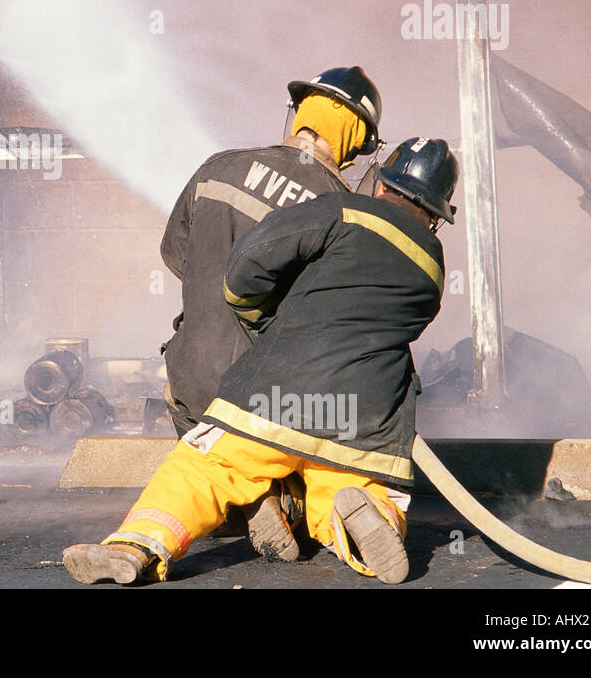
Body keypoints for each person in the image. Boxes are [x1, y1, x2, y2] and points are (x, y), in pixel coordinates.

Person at [66, 137, 459, 585]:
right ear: (436, 212)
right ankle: (368, 520)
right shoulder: (434, 264)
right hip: (364, 418)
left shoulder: (341, 209)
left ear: (382, 183)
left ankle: (137, 545)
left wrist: (256, 312)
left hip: (277, 392)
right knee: (347, 486)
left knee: (205, 472)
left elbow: (252, 258)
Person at [158, 67, 382, 555]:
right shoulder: (339, 208)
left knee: (181, 367)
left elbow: (177, 257)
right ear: (354, 139)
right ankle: (278, 495)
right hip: (264, 400)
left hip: (191, 381)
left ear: (299, 115)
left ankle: (249, 496)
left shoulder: (217, 166)